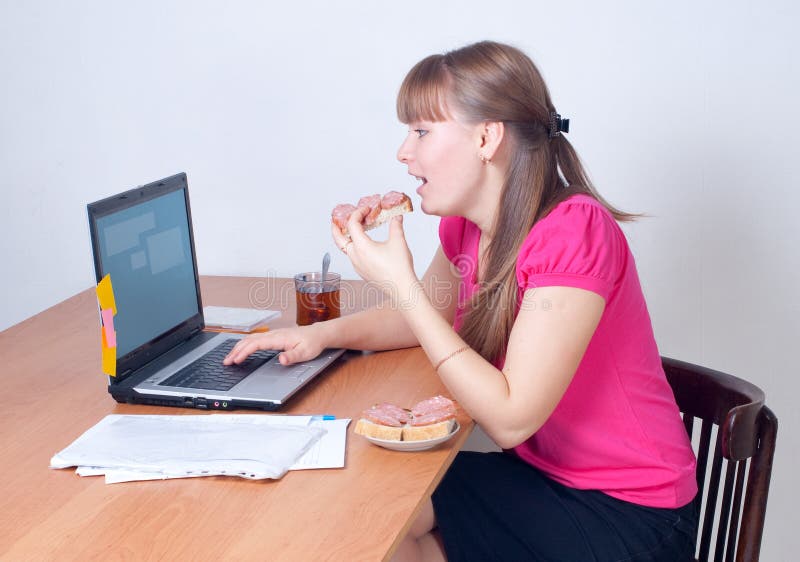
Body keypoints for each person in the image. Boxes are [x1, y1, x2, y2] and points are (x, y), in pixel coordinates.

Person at [224, 40, 698, 561]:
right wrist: (319, 335)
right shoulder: (466, 226)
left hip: (627, 511)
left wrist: (400, 285)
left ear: (486, 137)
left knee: (387, 523)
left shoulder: (574, 231)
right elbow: (418, 319)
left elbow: (512, 418)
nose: (403, 152)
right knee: (378, 510)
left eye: (422, 131)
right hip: (542, 477)